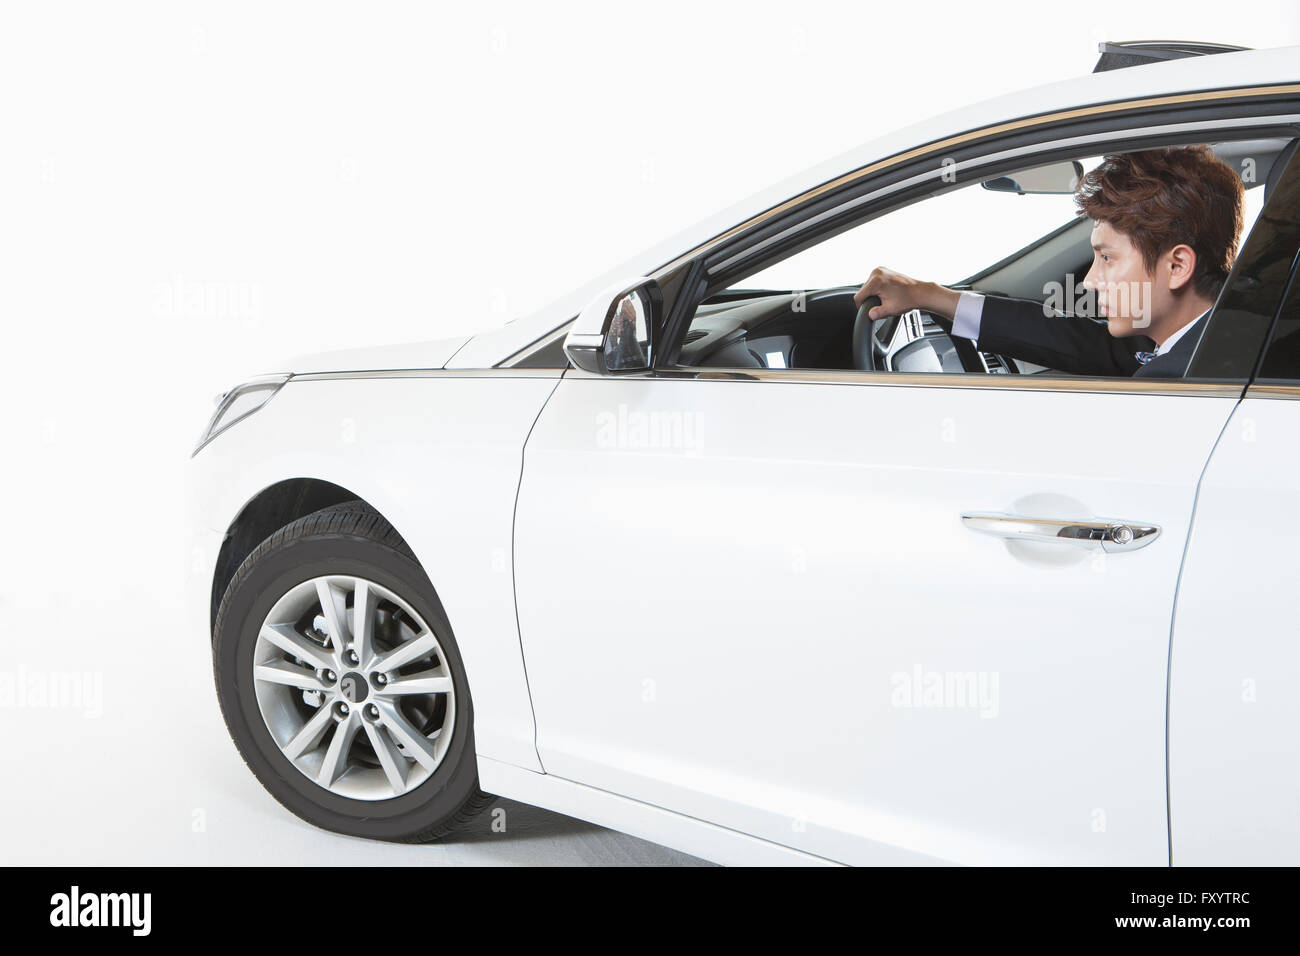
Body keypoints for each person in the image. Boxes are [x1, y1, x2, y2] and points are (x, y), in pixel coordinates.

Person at [853, 145, 1246, 378]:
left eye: (1107, 258)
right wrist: (931, 295)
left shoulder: (1181, 383)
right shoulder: (1216, 339)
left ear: (1177, 266)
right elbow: (1077, 341)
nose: (1090, 282)